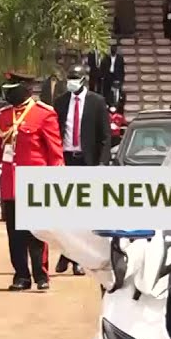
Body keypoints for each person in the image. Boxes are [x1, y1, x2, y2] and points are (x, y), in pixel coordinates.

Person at [0, 73, 63, 291]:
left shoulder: (43, 114)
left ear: (26, 89)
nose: (8, 93)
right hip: (10, 183)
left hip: (36, 182)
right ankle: (21, 275)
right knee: (15, 234)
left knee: (37, 233)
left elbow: (55, 151)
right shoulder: (3, 116)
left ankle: (41, 275)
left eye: (13, 89)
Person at [53, 65, 110, 275]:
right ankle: (67, 253)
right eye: (69, 78)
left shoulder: (96, 102)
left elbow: (105, 136)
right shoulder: (60, 102)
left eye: (75, 78)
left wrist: (102, 164)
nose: (71, 82)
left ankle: (75, 258)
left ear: (83, 80)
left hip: (88, 161)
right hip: (66, 159)